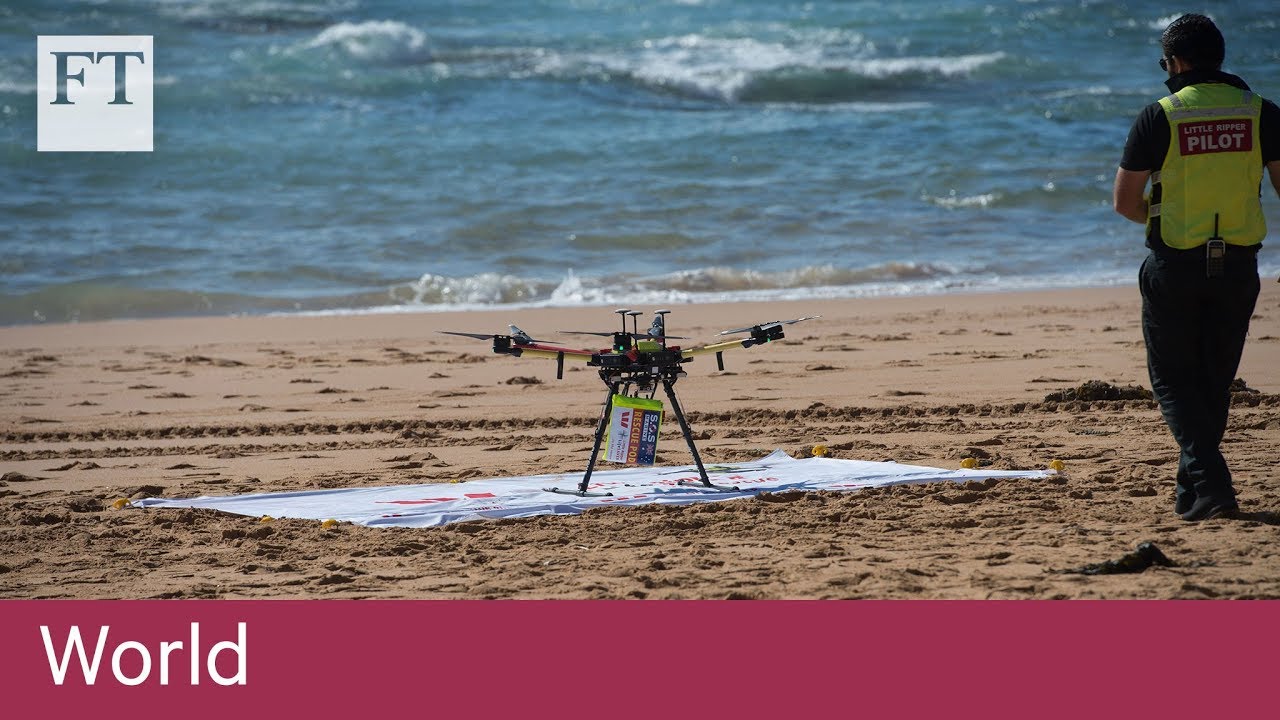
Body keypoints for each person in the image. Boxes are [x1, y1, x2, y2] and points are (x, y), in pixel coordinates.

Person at [1113, 13, 1280, 521]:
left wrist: (1162, 224)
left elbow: (1124, 201)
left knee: (1171, 379)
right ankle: (1195, 494)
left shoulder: (1160, 115)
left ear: (1177, 62)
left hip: (1175, 264)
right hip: (1238, 266)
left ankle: (1211, 486)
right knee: (1212, 380)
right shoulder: (1261, 113)